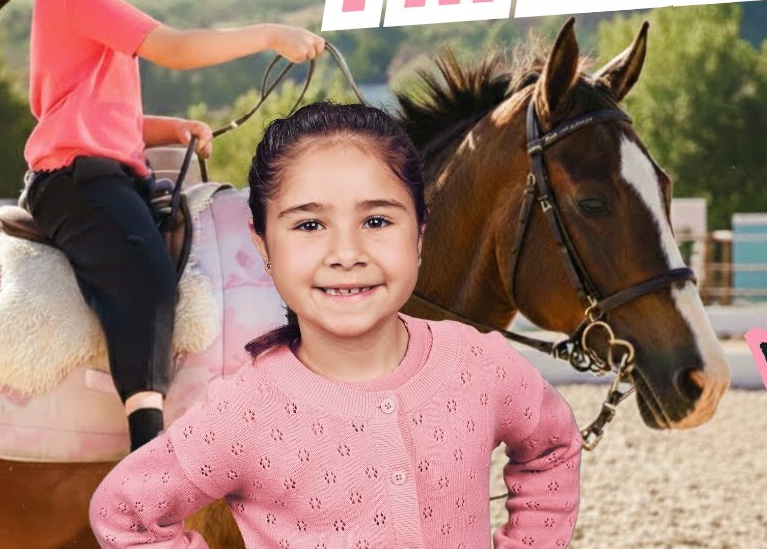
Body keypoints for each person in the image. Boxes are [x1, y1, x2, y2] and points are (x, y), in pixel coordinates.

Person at [0, 0, 325, 452]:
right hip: (79, 183)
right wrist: (269, 34)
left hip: (104, 171)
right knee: (147, 279)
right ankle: (147, 444)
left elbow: (89, 111)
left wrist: (168, 129)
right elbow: (172, 48)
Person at [89, 102, 583, 548]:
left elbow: (552, 446)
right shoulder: (246, 409)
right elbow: (124, 512)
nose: (346, 255)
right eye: (309, 225)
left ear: (419, 233)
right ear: (263, 247)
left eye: (377, 222)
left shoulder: (480, 362)